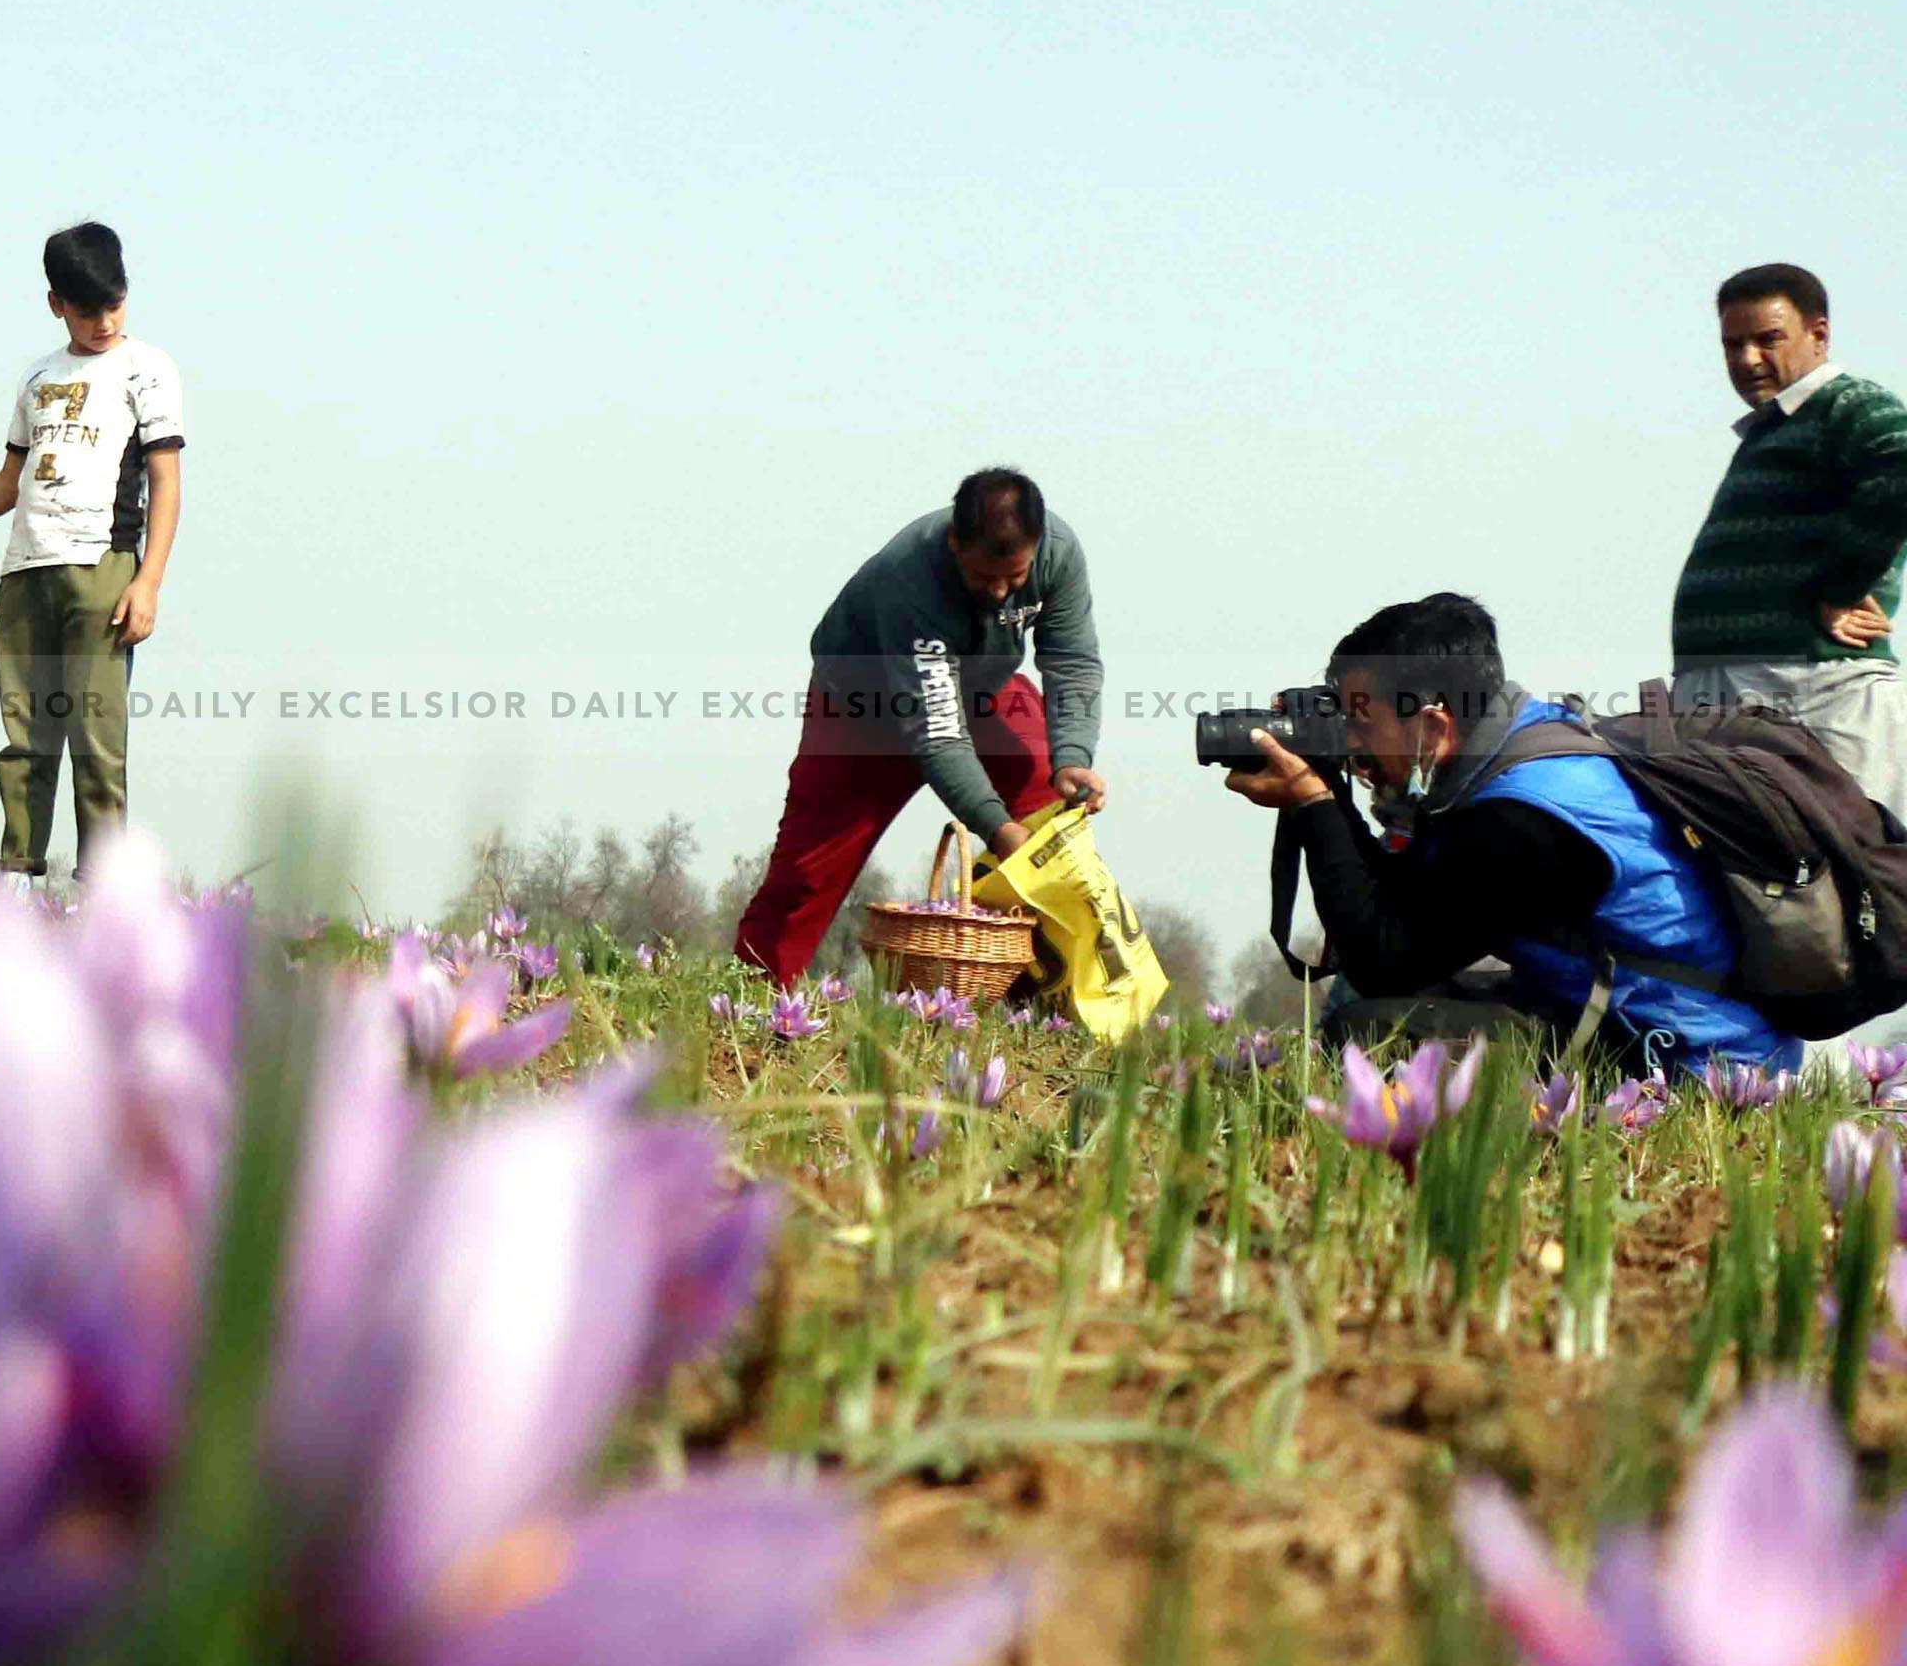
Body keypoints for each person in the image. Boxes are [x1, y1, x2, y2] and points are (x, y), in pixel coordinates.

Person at [1224, 591, 1799, 1078]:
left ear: (1432, 723)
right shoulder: (1520, 753)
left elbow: (1385, 956)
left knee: (1370, 1033)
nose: (1349, 740)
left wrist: (1315, 802)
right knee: (1384, 1009)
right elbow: (1402, 909)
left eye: (1360, 719)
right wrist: (1325, 790)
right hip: (1616, 1012)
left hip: (1685, 1058)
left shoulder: (1527, 816)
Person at [731, 469, 1105, 986]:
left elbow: (1073, 659)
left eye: (1014, 580)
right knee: (805, 877)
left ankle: (1038, 990)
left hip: (982, 688)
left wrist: (1074, 758)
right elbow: (938, 732)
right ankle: (749, 996)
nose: (999, 593)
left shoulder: (1058, 552)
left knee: (1047, 796)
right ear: (955, 542)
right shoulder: (910, 580)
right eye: (983, 578)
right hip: (864, 714)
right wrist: (999, 831)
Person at [0, 221, 186, 877]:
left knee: (96, 744)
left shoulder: (148, 370)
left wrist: (148, 582)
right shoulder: (36, 377)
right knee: (27, 743)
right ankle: (18, 886)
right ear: (56, 303)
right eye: (86, 310)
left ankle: (104, 904)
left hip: (101, 572)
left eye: (113, 304)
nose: (103, 321)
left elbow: (168, 481)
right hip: (26, 574)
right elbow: (10, 483)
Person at [1669, 262, 1907, 819]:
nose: (1748, 360)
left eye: (1767, 339)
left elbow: (1901, 463)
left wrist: (1841, 586)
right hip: (1746, 693)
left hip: (1813, 690)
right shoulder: (1778, 427)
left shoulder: (1844, 405)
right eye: (1733, 344)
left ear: (1818, 335)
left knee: (1861, 862)